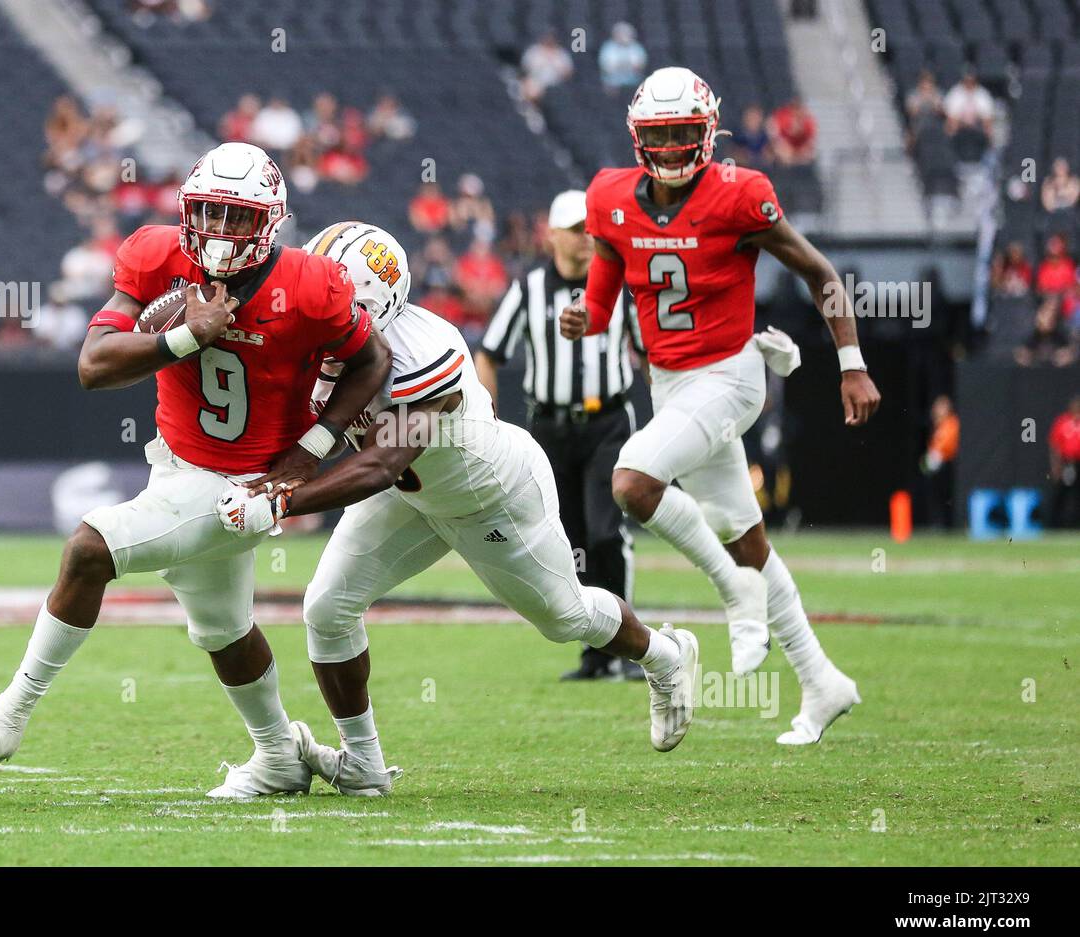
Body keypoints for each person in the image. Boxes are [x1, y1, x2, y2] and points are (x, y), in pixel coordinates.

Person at [0, 144, 393, 801]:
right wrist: (184, 336)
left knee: (91, 548)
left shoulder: (313, 285)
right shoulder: (155, 254)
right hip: (173, 467)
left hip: (239, 489)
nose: (218, 230)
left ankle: (8, 717)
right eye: (207, 211)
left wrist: (306, 455)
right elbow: (93, 366)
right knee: (223, 630)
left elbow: (371, 361)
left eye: (236, 217)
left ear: (269, 223)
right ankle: (278, 758)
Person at [215, 222, 701, 794]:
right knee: (327, 608)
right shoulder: (324, 332)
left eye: (332, 295)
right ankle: (363, 762)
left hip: (489, 497)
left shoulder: (424, 353)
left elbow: (380, 465)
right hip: (411, 498)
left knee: (564, 617)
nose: (314, 305)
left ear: (373, 303)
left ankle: (664, 654)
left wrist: (281, 502)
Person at [561, 67, 882, 745]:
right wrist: (580, 319)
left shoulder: (740, 196)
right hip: (670, 384)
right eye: (660, 135)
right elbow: (600, 299)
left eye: (684, 133)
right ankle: (822, 681)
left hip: (731, 378)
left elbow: (820, 273)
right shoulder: (610, 197)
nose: (674, 147)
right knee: (747, 538)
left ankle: (736, 594)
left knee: (632, 481)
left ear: (709, 133)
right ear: (637, 138)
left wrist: (851, 364)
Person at [476, 190, 645, 681]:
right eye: (574, 230)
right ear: (551, 235)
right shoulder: (528, 290)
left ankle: (631, 648)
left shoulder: (614, 283)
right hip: (549, 428)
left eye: (590, 230)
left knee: (606, 532)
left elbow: (647, 347)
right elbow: (489, 353)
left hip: (608, 421)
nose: (584, 240)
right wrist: (489, 416)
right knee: (569, 541)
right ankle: (597, 653)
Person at [920, 395, 959, 529]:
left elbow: (947, 445)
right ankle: (938, 523)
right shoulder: (938, 425)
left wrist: (937, 455)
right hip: (936, 464)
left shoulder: (951, 423)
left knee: (945, 495)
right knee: (935, 495)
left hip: (947, 463)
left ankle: (947, 524)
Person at [1048, 396, 1080, 528]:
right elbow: (1055, 446)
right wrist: (1056, 466)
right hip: (1068, 463)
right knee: (1061, 494)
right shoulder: (1063, 422)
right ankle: (1054, 525)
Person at [598, 22, 647, 94]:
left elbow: (640, 66)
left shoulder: (636, 47)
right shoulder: (608, 47)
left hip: (633, 79)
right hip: (613, 80)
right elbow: (606, 67)